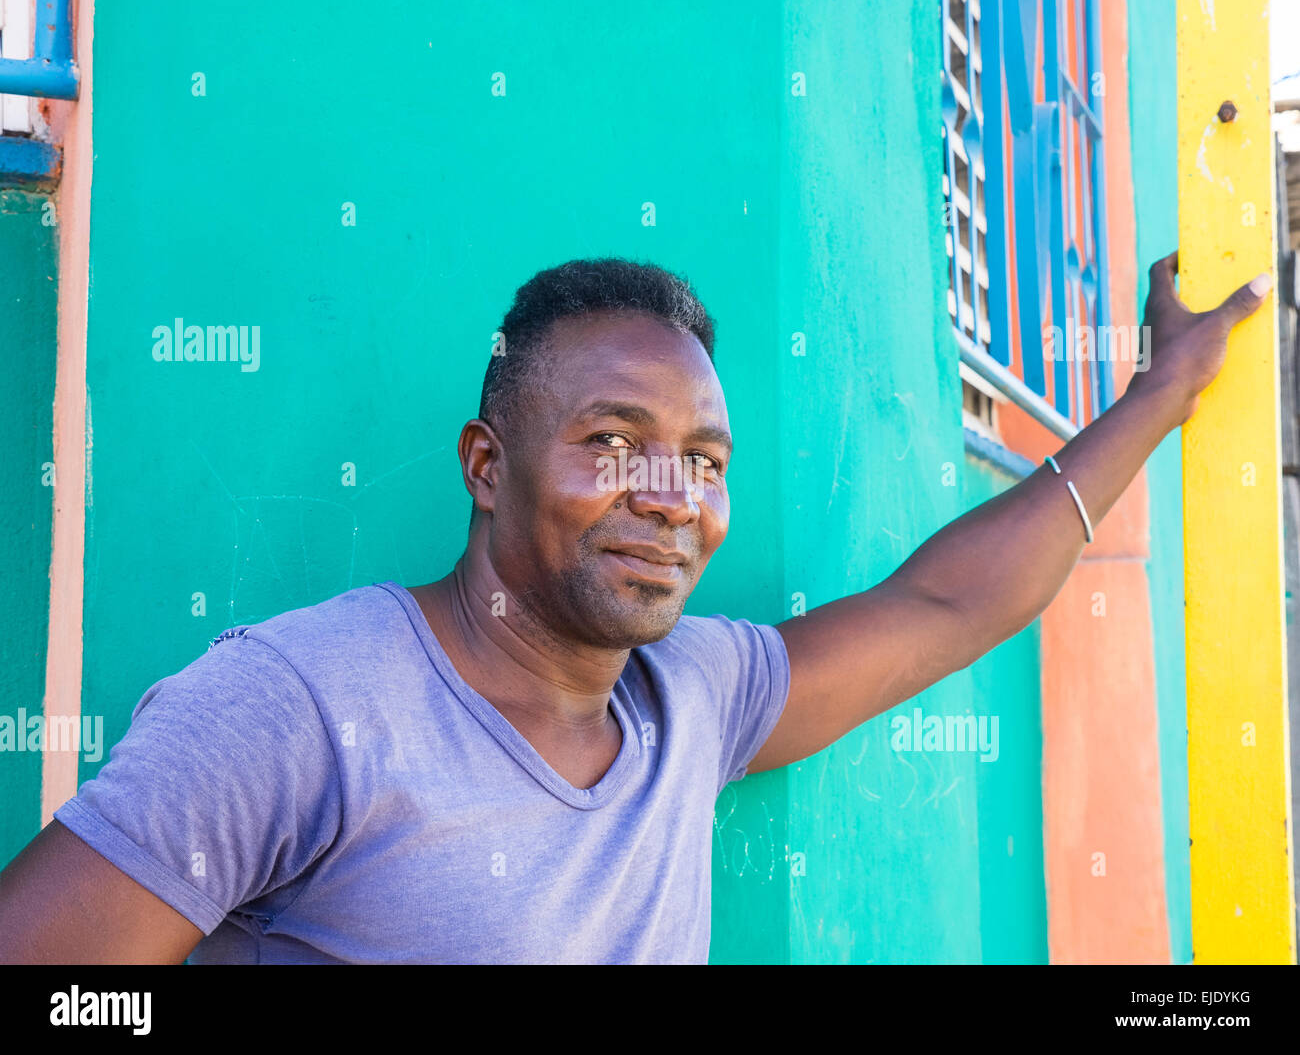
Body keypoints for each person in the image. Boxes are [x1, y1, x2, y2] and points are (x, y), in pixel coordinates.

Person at [0, 254, 1272, 964]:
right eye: (613, 442)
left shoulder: (696, 701)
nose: (671, 497)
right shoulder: (298, 706)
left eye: (704, 462)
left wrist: (1163, 392)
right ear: (487, 466)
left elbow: (946, 600)